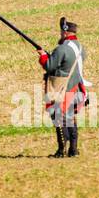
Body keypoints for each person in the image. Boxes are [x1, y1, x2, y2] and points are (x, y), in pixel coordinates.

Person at [35, 17, 88, 158]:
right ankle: (73, 149)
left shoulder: (62, 49)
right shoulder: (80, 48)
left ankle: (61, 151)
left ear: (65, 32)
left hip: (62, 88)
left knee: (59, 118)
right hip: (75, 87)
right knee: (70, 118)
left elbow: (49, 66)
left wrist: (44, 57)